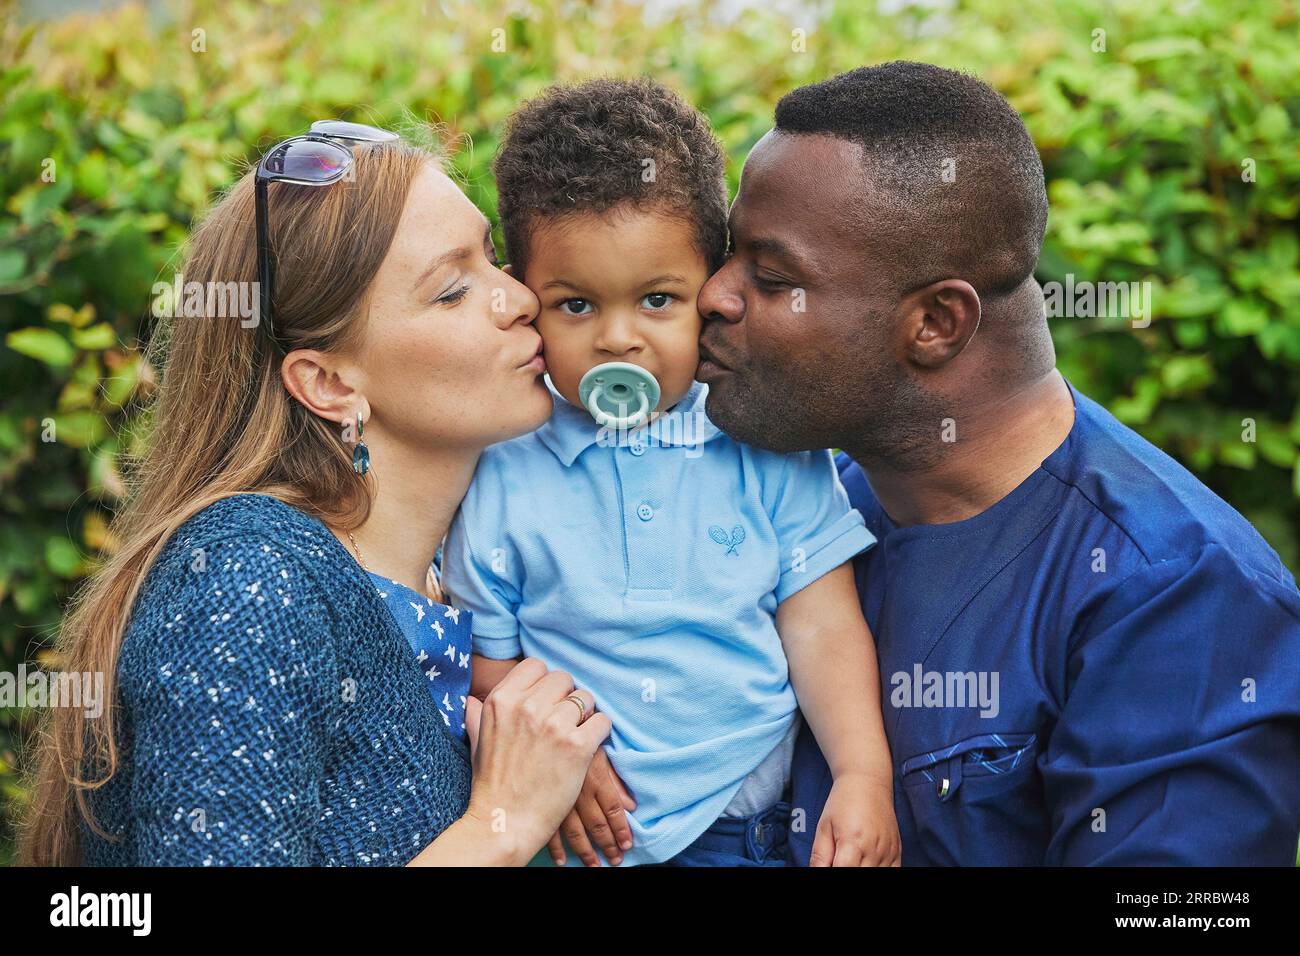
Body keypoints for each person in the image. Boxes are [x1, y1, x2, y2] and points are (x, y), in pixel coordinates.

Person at [696, 61, 1300, 866]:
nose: (714, 294)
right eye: (729, 255)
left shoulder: (1176, 597)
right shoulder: (805, 518)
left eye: (772, 277)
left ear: (938, 322)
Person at [19, 123, 609, 866]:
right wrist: (504, 821)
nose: (521, 298)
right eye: (454, 288)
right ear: (329, 384)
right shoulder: (247, 580)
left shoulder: (458, 581)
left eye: (493, 259)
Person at [443, 78, 900, 867]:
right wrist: (560, 761)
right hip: (578, 835)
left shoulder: (763, 441)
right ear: (525, 299)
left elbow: (821, 623)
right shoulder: (503, 467)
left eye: (657, 300)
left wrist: (864, 774)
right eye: (576, 306)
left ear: (712, 289)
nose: (619, 339)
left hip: (747, 832)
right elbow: (491, 660)